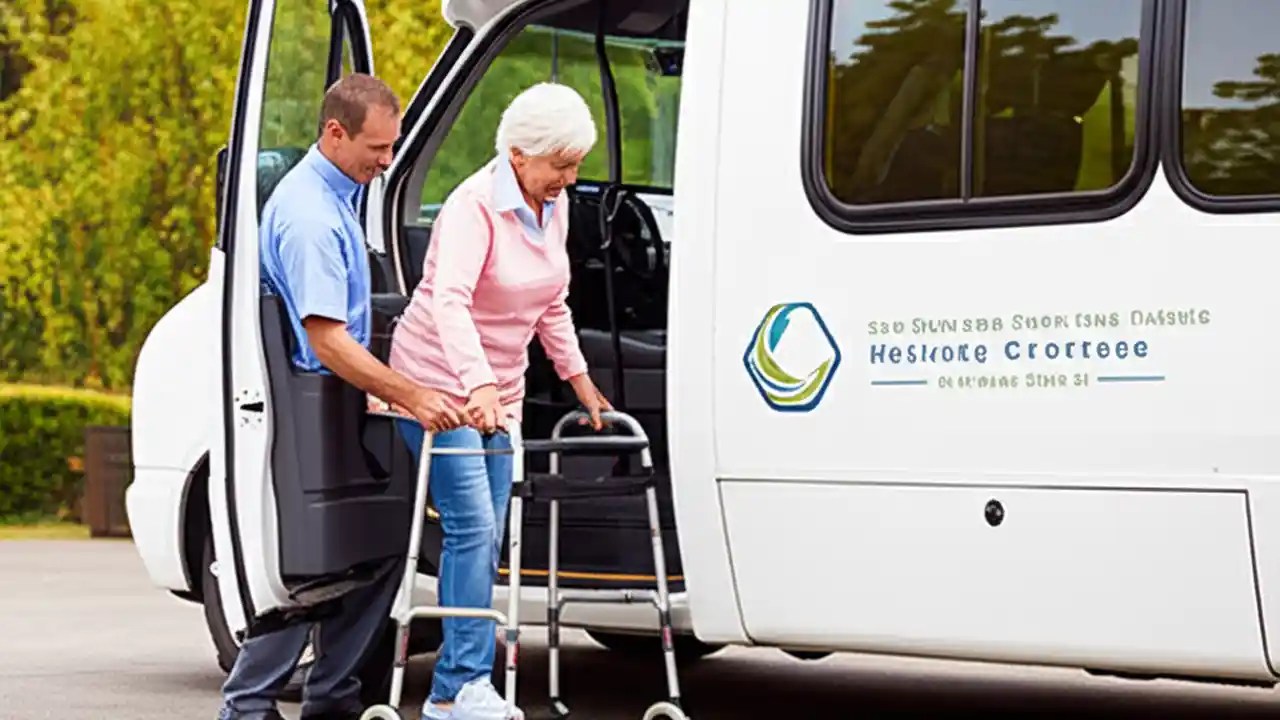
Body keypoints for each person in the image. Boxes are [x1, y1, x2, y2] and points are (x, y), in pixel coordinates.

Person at [219, 73, 469, 720]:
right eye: (377, 150)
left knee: (376, 549)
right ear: (335, 132)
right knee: (317, 565)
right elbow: (328, 340)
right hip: (314, 398)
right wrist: (411, 393)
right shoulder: (308, 217)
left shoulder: (338, 197)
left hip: (335, 399)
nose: (387, 163)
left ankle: (332, 698)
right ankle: (248, 707)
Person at [387, 82, 613, 720]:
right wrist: (477, 384)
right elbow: (449, 302)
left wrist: (578, 378)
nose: (568, 179)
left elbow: (551, 300)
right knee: (473, 526)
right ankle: (459, 687)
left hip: (499, 392)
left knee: (491, 536)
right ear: (519, 155)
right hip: (436, 383)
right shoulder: (474, 206)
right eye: (559, 165)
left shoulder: (552, 206)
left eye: (574, 165)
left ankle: (456, 689)